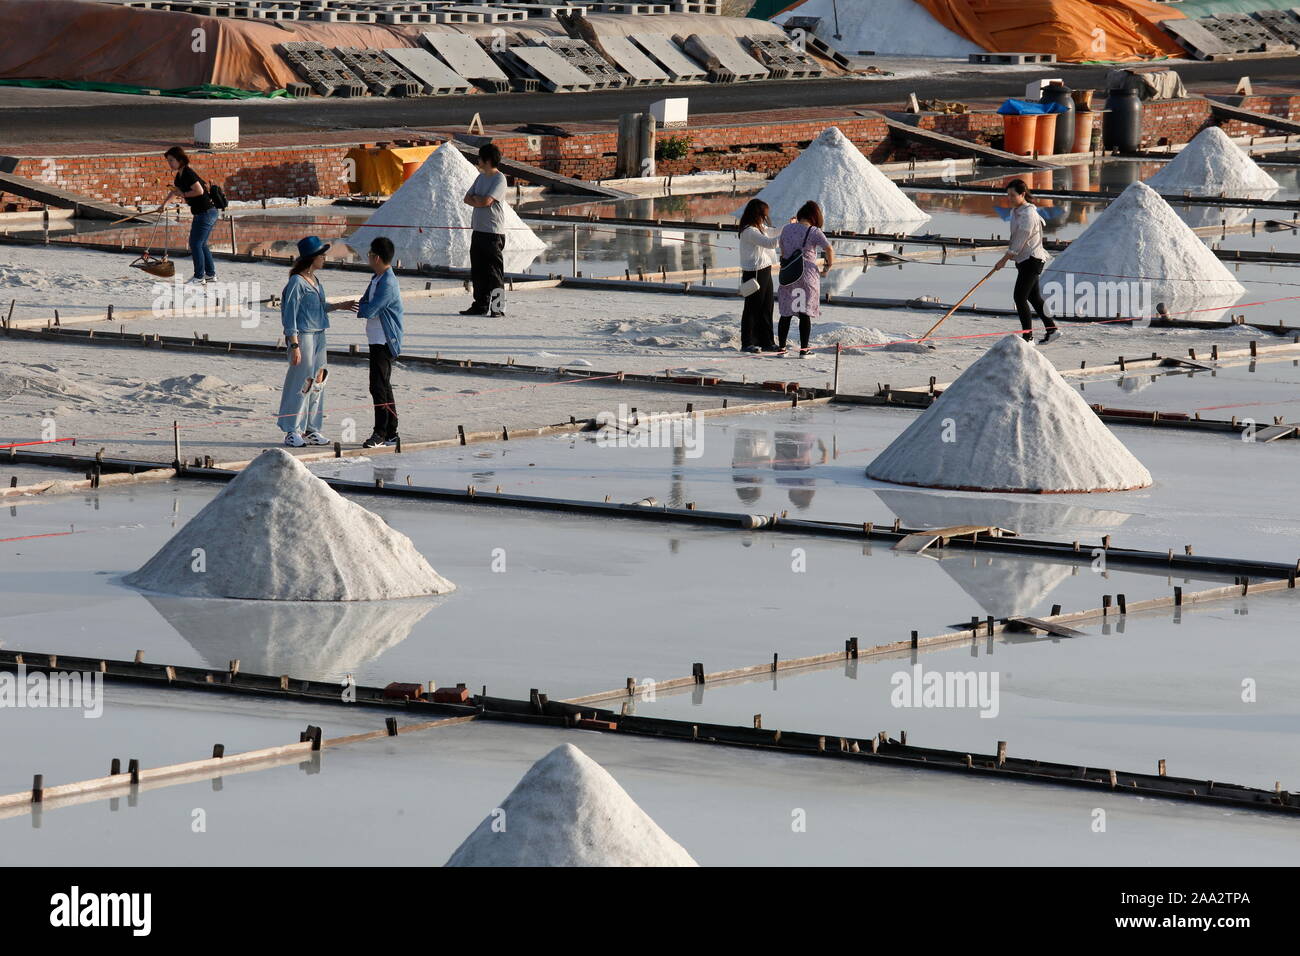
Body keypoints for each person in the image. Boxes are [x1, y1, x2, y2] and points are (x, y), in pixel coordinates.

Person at [277, 236, 354, 448]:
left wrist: (340, 305)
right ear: (312, 258)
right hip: (303, 336)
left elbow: (318, 306)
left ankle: (312, 428)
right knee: (303, 381)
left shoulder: (315, 280)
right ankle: (293, 429)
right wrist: (294, 345)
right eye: (322, 255)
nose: (324, 258)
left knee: (319, 380)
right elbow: (289, 315)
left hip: (320, 333)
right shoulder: (296, 282)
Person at [352, 236, 404, 448]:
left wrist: (364, 308)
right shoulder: (377, 278)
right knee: (382, 385)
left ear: (378, 258)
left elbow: (370, 308)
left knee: (378, 386)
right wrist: (365, 306)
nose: (368, 258)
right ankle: (392, 431)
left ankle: (381, 432)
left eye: (370, 255)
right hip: (375, 338)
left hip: (384, 340)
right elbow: (365, 301)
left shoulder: (389, 282)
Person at [995, 179, 1059, 345]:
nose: (1009, 198)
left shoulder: (1028, 214)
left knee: (1019, 297)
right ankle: (1052, 330)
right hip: (1024, 260)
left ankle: (1028, 337)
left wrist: (1004, 259)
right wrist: (1011, 257)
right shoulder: (1016, 211)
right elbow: (1015, 239)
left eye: (1012, 195)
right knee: (1034, 297)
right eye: (1008, 195)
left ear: (1022, 194)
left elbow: (1020, 241)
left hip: (1032, 260)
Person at [776, 200, 834, 357]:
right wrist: (829, 265)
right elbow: (828, 248)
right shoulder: (814, 231)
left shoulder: (787, 228)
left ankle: (781, 349)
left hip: (788, 275)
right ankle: (804, 350)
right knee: (804, 312)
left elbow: (781, 248)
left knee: (786, 312)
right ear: (815, 216)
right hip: (806, 276)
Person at [461, 143, 508, 317]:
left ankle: (497, 307)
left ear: (487, 160)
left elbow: (486, 202)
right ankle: (480, 305)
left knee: (494, 272)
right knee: (478, 270)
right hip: (478, 230)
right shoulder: (480, 178)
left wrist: (478, 200)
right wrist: (478, 200)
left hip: (493, 232)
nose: (477, 161)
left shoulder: (499, 179)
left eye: (480, 158)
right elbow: (467, 198)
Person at [163, 146, 218, 286]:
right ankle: (210, 274)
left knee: (195, 244)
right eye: (168, 161)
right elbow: (176, 191)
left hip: (206, 212)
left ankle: (199, 277)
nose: (170, 163)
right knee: (201, 244)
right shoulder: (180, 176)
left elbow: (199, 191)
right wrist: (163, 205)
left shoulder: (188, 173)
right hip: (205, 212)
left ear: (180, 160)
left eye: (171, 160)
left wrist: (185, 195)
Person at [737, 198, 780, 353]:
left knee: (767, 306)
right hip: (754, 272)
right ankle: (747, 342)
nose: (765, 217)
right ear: (757, 214)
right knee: (752, 308)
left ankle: (767, 341)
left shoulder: (760, 227)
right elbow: (770, 243)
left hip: (765, 269)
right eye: (764, 214)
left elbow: (772, 232)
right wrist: (789, 234)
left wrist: (789, 227)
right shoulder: (749, 231)